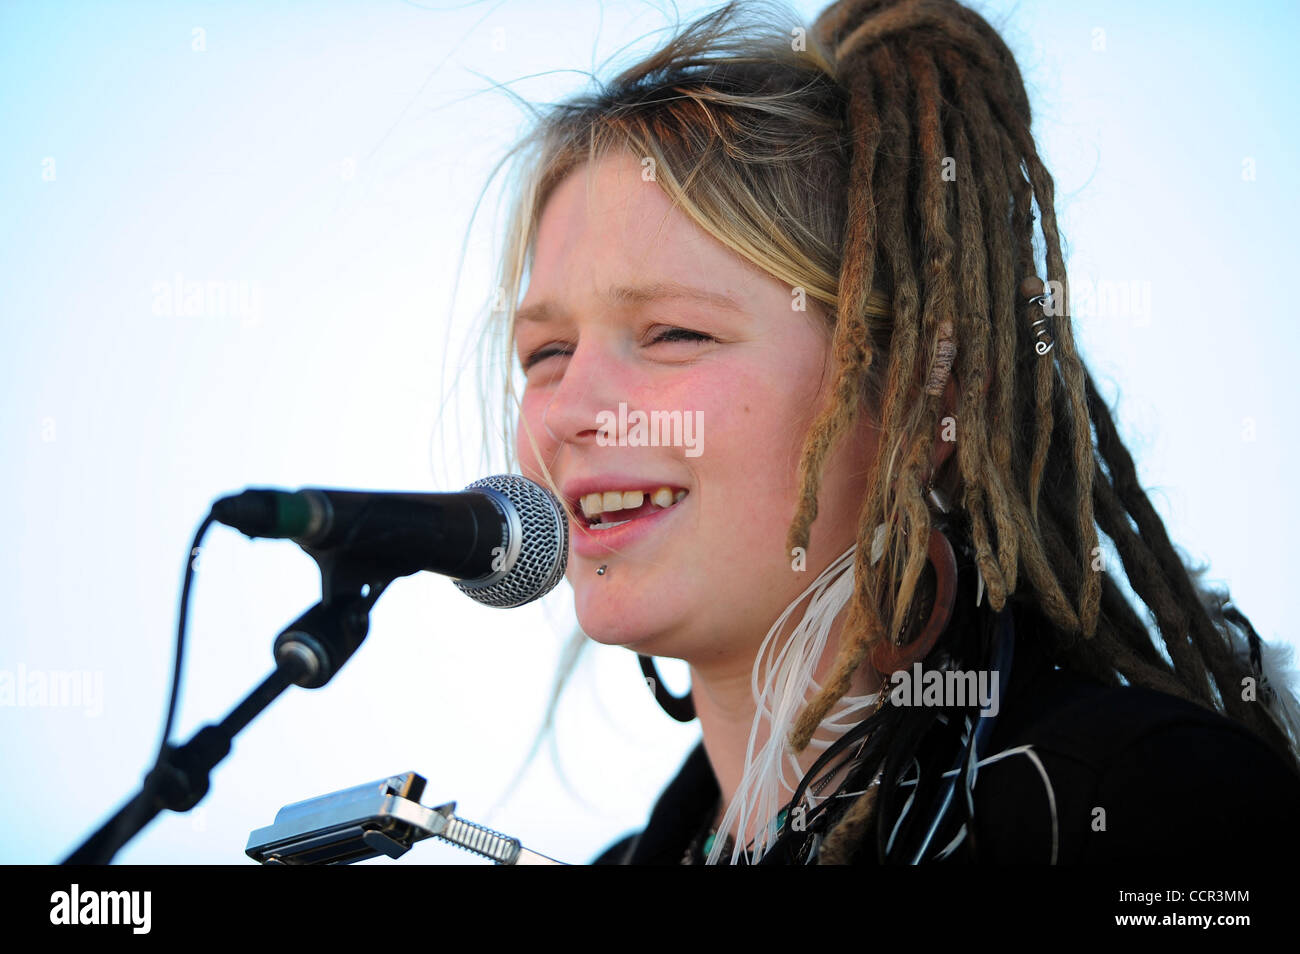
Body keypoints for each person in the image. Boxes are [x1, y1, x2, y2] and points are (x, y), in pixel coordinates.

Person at [479, 0, 1300, 864]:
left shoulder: (1155, 807)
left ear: (919, 394)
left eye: (675, 334)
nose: (572, 408)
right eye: (547, 351)